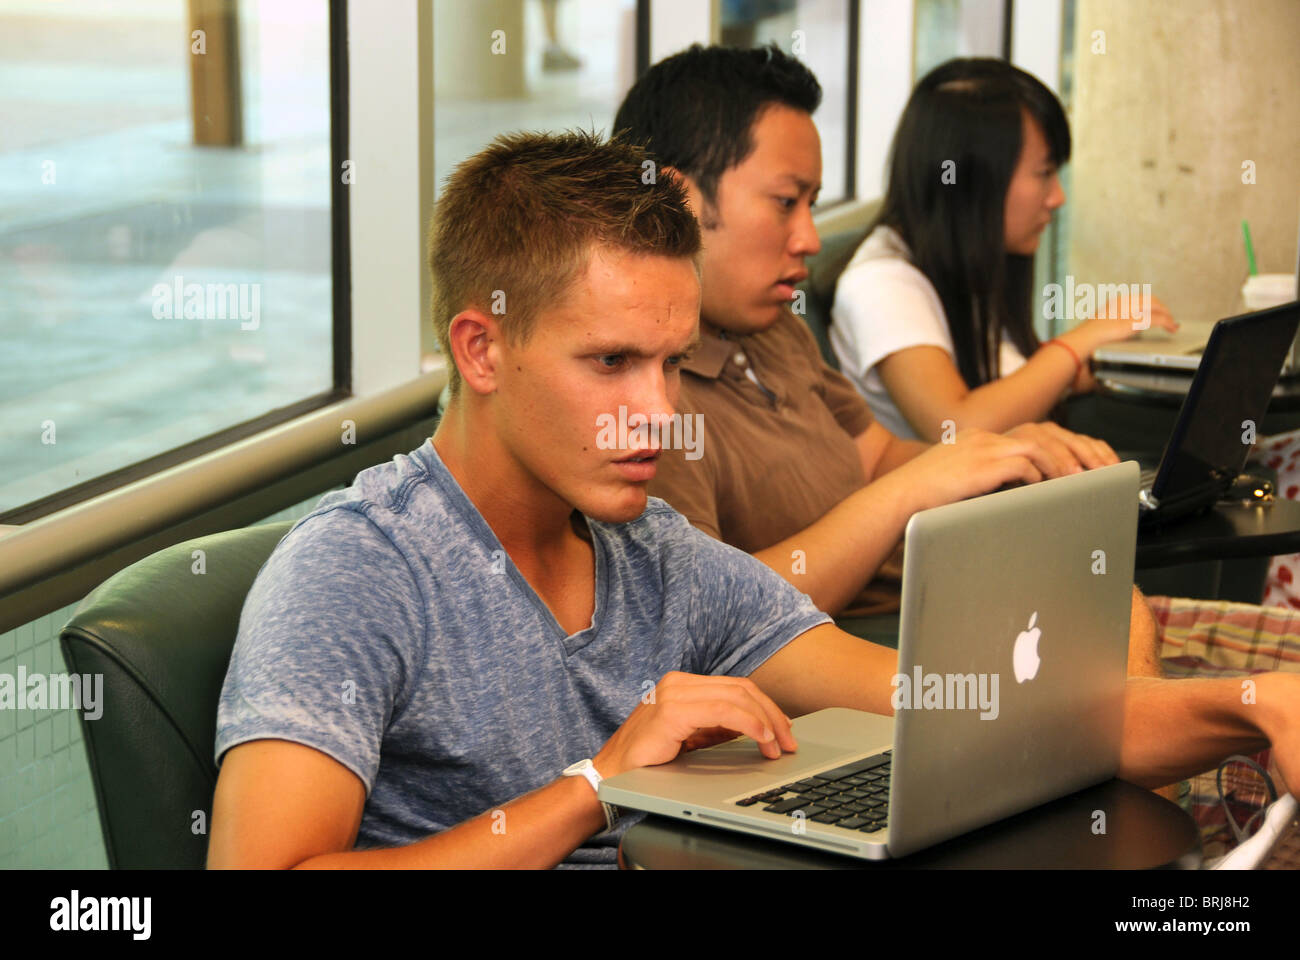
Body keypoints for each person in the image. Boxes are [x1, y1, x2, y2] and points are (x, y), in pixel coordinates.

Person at [207, 130, 1297, 871]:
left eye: (670, 365)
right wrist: (593, 784)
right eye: (610, 364)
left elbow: (960, 704)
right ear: (482, 348)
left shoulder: (654, 553)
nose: (655, 415)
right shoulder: (356, 571)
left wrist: (1249, 708)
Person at [615, 45, 1140, 654]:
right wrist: (913, 491)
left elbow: (875, 454)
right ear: (680, 202)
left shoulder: (774, 328)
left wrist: (1005, 457)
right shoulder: (649, 399)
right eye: (787, 202)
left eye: (813, 204)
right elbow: (706, 622)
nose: (810, 238)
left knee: (1119, 603)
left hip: (938, 603)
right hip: (863, 649)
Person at [830, 57, 1179, 443]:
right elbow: (953, 427)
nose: (1057, 198)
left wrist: (1123, 360)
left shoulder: (957, 261)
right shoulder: (881, 283)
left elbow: (1007, 384)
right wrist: (1077, 343)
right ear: (974, 179)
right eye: (1044, 174)